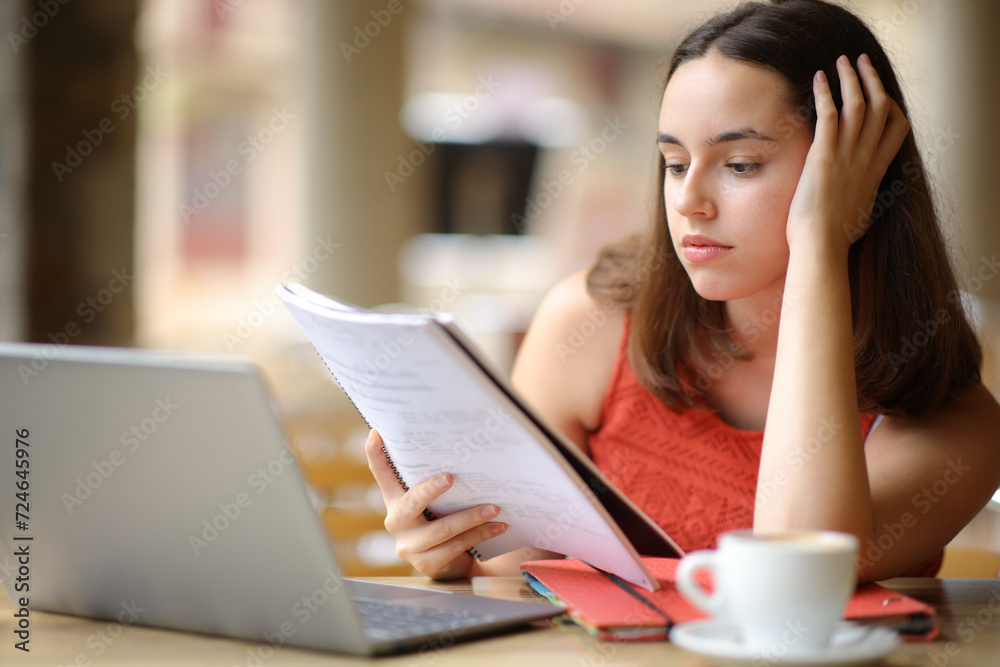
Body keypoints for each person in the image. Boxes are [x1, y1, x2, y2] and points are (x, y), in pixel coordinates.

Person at [365, 0, 1000, 583]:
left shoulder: (954, 421)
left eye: (741, 164)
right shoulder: (590, 325)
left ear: (859, 176)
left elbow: (796, 572)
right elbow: (525, 576)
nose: (689, 202)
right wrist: (455, 557)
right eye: (674, 163)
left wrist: (819, 242)